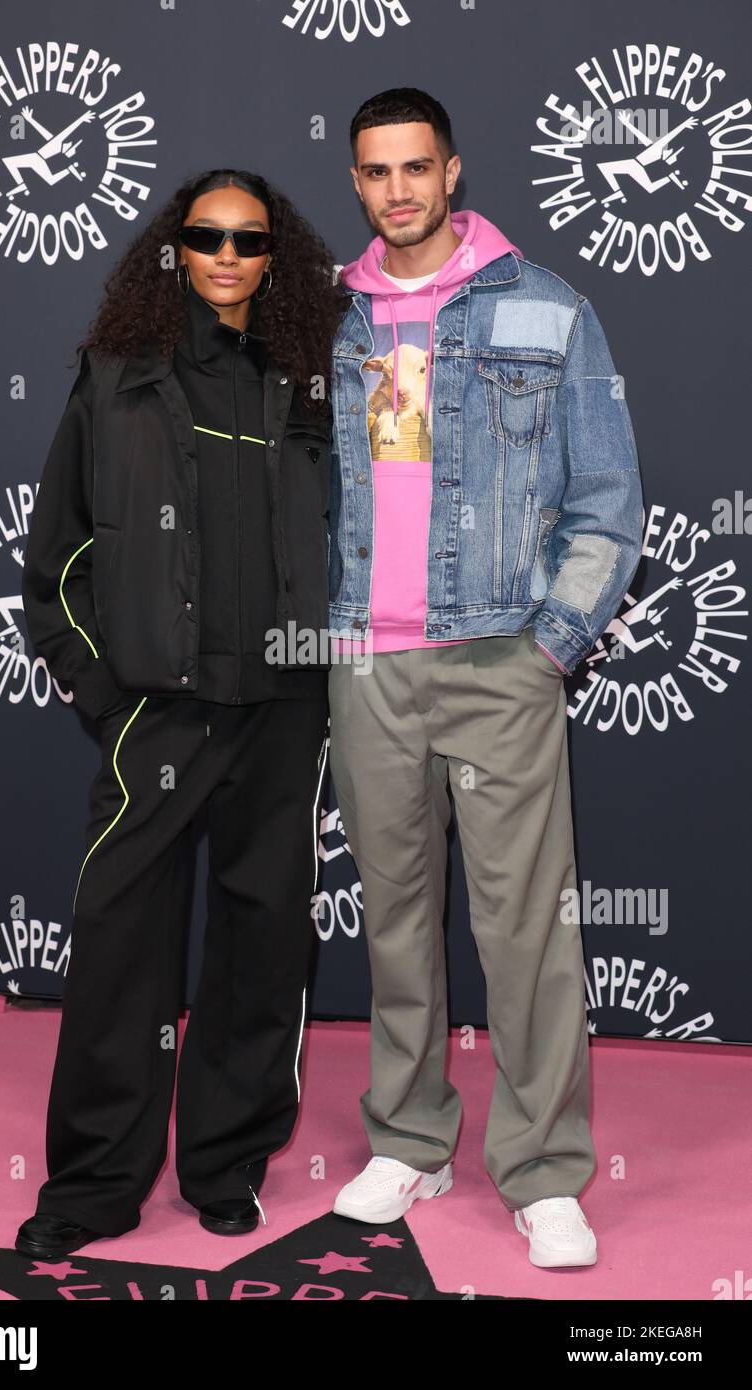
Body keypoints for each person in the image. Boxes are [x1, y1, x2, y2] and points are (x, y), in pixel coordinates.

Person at [326, 89, 644, 1269]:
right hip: (366, 664)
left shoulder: (548, 308)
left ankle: (544, 1169)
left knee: (526, 932)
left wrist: (545, 650)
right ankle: (406, 1137)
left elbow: (609, 505)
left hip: (497, 657)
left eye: (416, 168)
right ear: (355, 181)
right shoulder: (335, 315)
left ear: (452, 171)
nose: (396, 190)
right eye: (374, 172)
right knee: (397, 925)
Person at [16, 168, 349, 1259]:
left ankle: (226, 1165)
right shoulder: (116, 379)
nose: (223, 254)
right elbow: (57, 554)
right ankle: (93, 1185)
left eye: (247, 240)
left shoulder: (314, 386)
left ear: (274, 258)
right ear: (174, 248)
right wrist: (102, 688)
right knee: (122, 947)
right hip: (156, 713)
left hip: (286, 707)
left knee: (263, 944)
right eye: (203, 235)